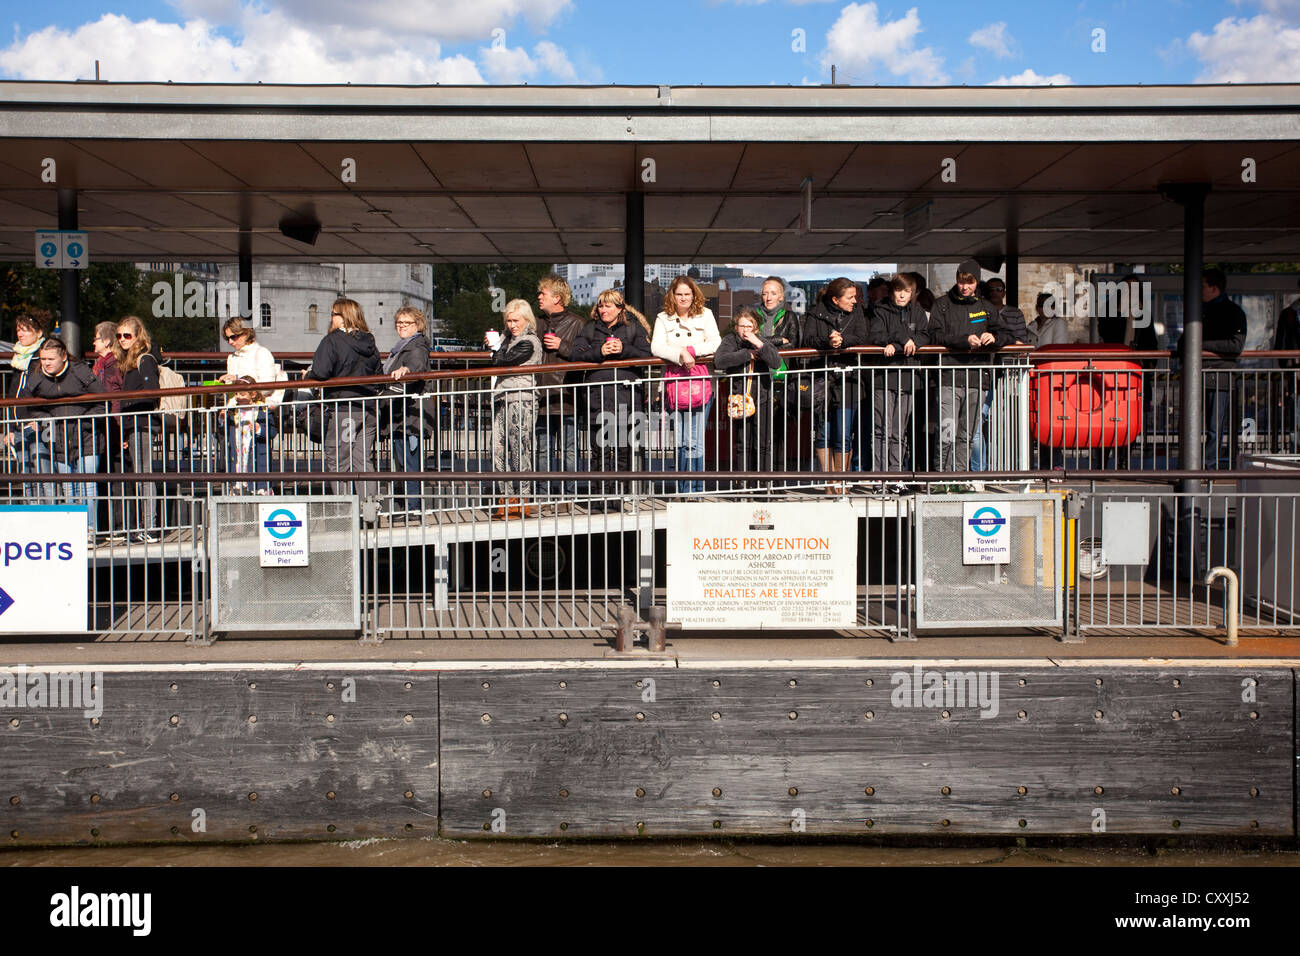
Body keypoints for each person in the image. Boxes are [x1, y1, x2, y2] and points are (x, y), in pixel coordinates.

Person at [5, 338, 106, 536]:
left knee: (88, 484)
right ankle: (74, 532)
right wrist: (48, 419)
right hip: (58, 437)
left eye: (51, 358)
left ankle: (90, 529)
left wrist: (83, 422)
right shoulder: (37, 377)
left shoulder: (80, 371)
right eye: (43, 359)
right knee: (69, 486)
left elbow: (102, 400)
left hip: (86, 435)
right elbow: (30, 407)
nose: (46, 363)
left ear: (63, 357)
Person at [927, 260, 1013, 475]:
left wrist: (992, 337)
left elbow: (1006, 334)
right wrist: (964, 340)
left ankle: (961, 477)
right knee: (947, 431)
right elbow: (934, 335)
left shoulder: (985, 307)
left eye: (970, 282)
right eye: (961, 282)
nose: (965, 287)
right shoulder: (942, 304)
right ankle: (941, 478)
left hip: (977, 378)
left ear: (977, 282)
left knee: (967, 433)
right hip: (948, 377)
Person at [571, 289, 652, 509]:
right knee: (600, 451)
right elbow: (575, 354)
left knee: (624, 450)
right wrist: (600, 351)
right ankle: (600, 498)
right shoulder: (590, 328)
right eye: (600, 306)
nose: (603, 310)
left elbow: (648, 356)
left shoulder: (633, 328)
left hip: (626, 397)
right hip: (598, 398)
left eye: (608, 306)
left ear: (619, 308)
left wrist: (624, 349)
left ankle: (622, 497)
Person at [306, 298, 381, 499]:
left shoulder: (332, 341)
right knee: (362, 459)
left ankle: (345, 509)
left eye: (333, 314)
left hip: (344, 408)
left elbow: (321, 371)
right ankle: (369, 507)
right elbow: (378, 373)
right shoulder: (370, 341)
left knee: (338, 459)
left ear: (342, 317)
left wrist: (308, 375)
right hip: (369, 408)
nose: (330, 318)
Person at [653, 275, 720, 494]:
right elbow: (657, 347)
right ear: (672, 295)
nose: (683, 298)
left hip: (700, 385)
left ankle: (695, 489)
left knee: (695, 440)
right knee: (681, 441)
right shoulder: (663, 318)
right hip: (674, 386)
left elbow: (716, 343)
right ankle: (683, 488)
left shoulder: (706, 314)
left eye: (687, 294)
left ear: (694, 295)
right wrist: (679, 353)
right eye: (679, 294)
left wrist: (691, 350)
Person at [801, 277, 869, 492]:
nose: (854, 300)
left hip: (848, 380)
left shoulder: (857, 312)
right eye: (850, 297)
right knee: (824, 432)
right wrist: (828, 342)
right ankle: (829, 482)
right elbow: (808, 340)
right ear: (835, 299)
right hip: (823, 380)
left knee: (844, 432)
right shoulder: (816, 313)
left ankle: (842, 481)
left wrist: (843, 341)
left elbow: (863, 335)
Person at [1176, 268, 1247, 469]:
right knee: (1191, 424)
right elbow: (1183, 343)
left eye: (1202, 287)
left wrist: (1200, 345)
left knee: (1214, 427)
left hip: (1218, 375)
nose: (1198, 291)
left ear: (1214, 288)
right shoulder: (1199, 311)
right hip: (1197, 374)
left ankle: (1209, 465)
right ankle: (1191, 464)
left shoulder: (1233, 312)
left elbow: (1235, 346)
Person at [868, 273, 930, 479]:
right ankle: (880, 476)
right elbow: (876, 335)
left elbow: (925, 335)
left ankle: (895, 476)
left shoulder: (918, 312)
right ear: (892, 291)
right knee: (881, 430)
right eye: (898, 290)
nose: (902, 296)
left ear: (913, 293)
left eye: (907, 292)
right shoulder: (880, 310)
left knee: (898, 431)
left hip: (908, 378)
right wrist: (902, 340)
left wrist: (913, 342)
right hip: (883, 378)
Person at [487, 300, 543, 519]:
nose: (511, 325)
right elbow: (498, 360)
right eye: (508, 321)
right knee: (497, 450)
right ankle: (506, 501)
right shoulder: (507, 340)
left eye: (516, 320)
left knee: (520, 451)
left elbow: (501, 362)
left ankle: (522, 502)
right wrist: (496, 345)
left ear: (527, 320)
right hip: (503, 397)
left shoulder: (529, 342)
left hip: (522, 400)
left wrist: (496, 348)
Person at [714, 309, 783, 485]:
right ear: (736, 327)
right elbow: (720, 361)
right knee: (742, 443)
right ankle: (743, 484)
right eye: (742, 326)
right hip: (740, 400)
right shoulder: (730, 340)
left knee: (763, 444)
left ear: (756, 328)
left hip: (763, 397)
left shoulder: (762, 341)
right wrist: (747, 355)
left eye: (749, 326)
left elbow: (776, 362)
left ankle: (764, 484)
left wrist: (758, 345)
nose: (745, 330)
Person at [969, 276, 1029, 472]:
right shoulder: (978, 312)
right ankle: (980, 471)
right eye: (991, 289)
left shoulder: (1011, 313)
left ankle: (994, 469)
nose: (995, 292)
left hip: (1006, 374)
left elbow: (1016, 339)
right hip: (981, 372)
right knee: (978, 423)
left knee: (1001, 421)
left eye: (999, 289)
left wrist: (996, 338)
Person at [534, 275, 586, 501]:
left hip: (566, 396)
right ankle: (543, 495)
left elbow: (586, 354)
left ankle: (570, 496)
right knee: (543, 450)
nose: (538, 297)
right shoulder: (535, 322)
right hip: (540, 395)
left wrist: (562, 346)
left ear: (556, 297)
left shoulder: (577, 323)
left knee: (570, 450)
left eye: (542, 294)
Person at [219, 316, 279, 493]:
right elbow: (235, 390)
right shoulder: (232, 357)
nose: (230, 342)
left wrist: (237, 380)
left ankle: (259, 490)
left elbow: (267, 387)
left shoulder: (262, 353)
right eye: (227, 338)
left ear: (246, 334)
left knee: (257, 455)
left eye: (234, 337)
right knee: (235, 454)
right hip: (237, 411)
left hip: (257, 410)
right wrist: (227, 407)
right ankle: (238, 489)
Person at [115, 315, 161, 542]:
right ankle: (146, 524)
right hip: (134, 423)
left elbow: (152, 391)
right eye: (118, 335)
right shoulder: (131, 362)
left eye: (127, 335)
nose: (122, 339)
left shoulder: (144, 360)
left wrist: (130, 401)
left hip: (142, 423)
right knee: (141, 474)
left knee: (145, 474)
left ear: (137, 336)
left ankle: (150, 526)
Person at [384, 306, 432, 515]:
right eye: (399, 323)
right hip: (401, 412)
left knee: (410, 461)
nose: (402, 327)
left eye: (407, 323)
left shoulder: (417, 345)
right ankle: (410, 504)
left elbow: (417, 365)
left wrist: (407, 370)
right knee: (404, 460)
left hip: (411, 412)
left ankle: (414, 506)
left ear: (417, 325)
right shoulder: (401, 346)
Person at [4, 312, 55, 502]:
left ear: (38, 332)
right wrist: (8, 427)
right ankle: (32, 513)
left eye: (25, 329)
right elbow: (12, 394)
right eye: (18, 329)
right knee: (26, 475)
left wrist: (40, 418)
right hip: (18, 425)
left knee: (43, 472)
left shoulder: (44, 357)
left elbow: (49, 390)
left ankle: (50, 513)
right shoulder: (18, 358)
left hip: (37, 424)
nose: (20, 333)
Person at [91, 321, 126, 538]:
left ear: (105, 341)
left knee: (116, 474)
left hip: (113, 424)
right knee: (107, 472)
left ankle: (118, 525)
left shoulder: (113, 365)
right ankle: (109, 524)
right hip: (107, 424)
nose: (92, 342)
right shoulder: (102, 364)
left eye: (95, 338)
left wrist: (121, 429)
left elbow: (117, 398)